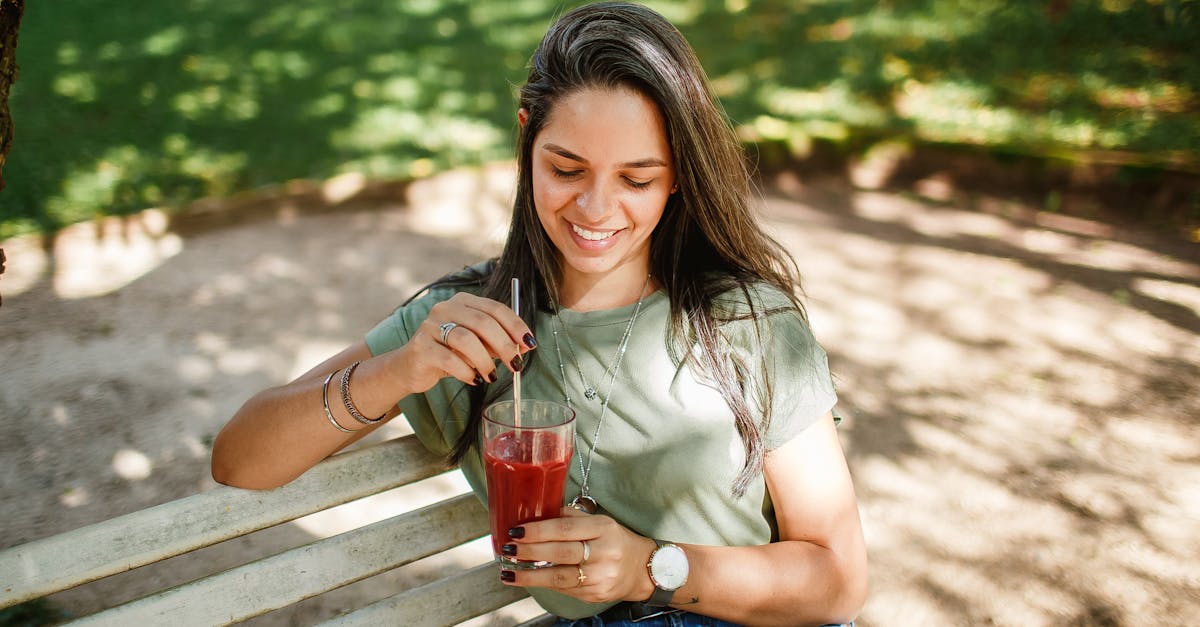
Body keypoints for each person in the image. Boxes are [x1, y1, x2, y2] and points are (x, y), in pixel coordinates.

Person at [211, 3, 867, 625]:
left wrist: (650, 568)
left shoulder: (745, 322)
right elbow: (240, 461)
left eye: (636, 179)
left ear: (677, 177)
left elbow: (838, 575)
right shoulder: (462, 325)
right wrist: (396, 372)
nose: (596, 208)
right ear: (528, 141)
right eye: (567, 168)